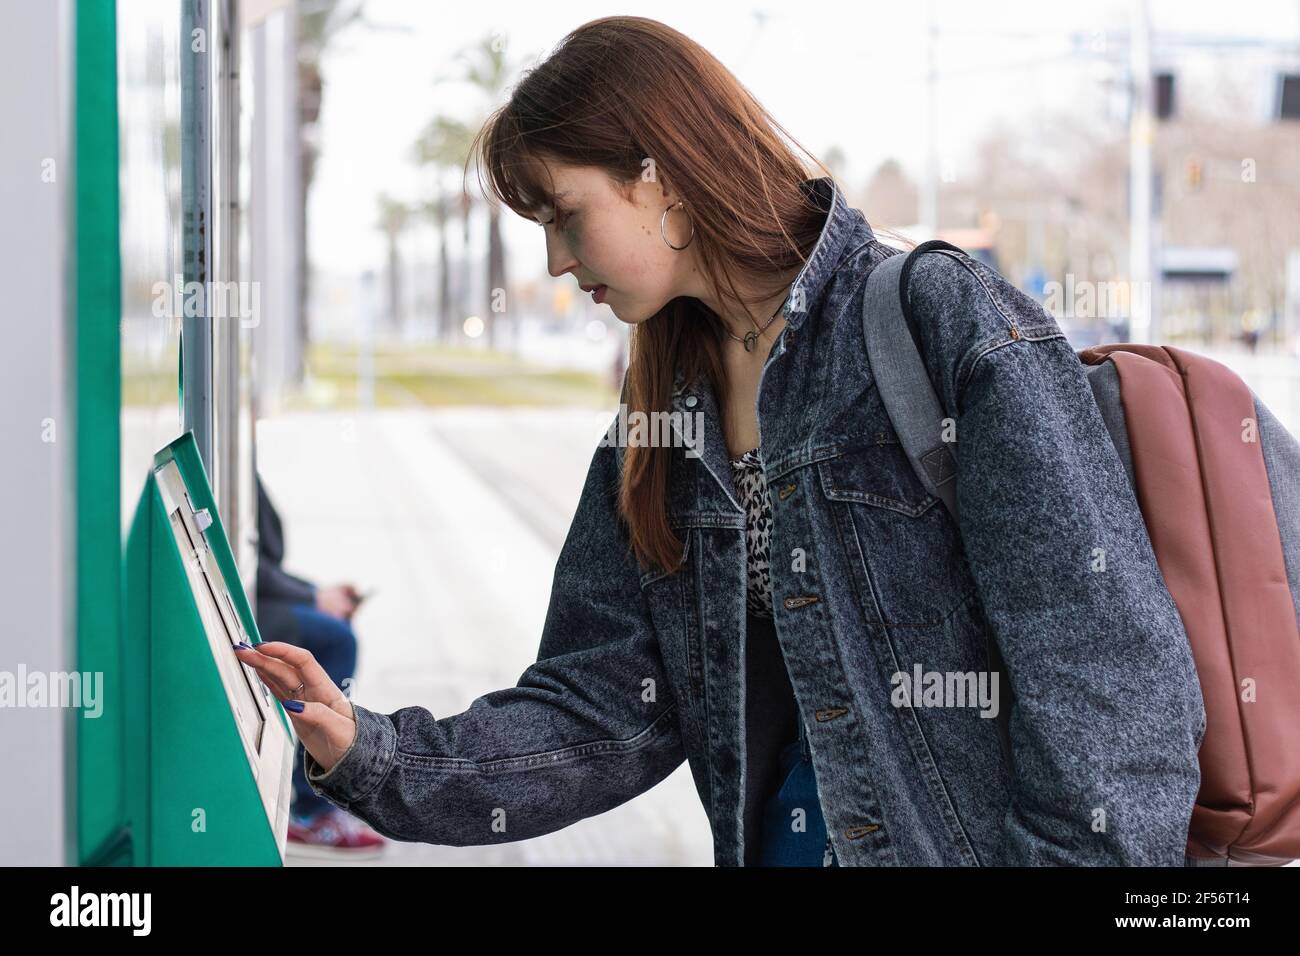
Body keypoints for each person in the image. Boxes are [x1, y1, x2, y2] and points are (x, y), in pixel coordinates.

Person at [235, 16, 1205, 866]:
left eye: (565, 214)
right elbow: (599, 708)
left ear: (662, 176)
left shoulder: (936, 319)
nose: (555, 260)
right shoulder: (664, 416)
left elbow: (1110, 682)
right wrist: (370, 750)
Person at [253, 475, 386, 858]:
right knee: (337, 638)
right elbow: (243, 559)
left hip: (252, 591)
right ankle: (313, 813)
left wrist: (317, 595)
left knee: (335, 628)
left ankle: (316, 798)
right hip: (242, 596)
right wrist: (314, 596)